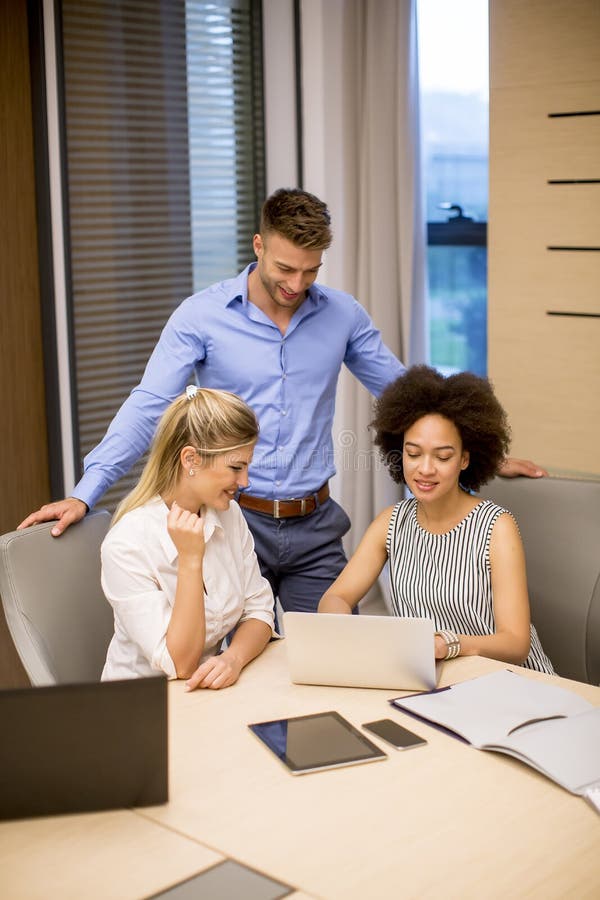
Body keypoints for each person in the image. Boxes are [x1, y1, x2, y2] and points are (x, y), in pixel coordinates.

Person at [19, 188, 547, 615]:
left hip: (314, 525)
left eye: (311, 271)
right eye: (285, 269)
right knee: (234, 670)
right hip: (230, 519)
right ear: (258, 245)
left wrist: (479, 450)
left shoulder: (342, 316)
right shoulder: (200, 317)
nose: (296, 284)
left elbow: (404, 393)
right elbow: (149, 405)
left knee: (336, 663)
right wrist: (86, 493)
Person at [318, 365, 554, 674]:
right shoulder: (392, 522)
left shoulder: (497, 527)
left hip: (513, 684)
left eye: (442, 457)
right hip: (436, 682)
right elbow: (336, 596)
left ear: (465, 459)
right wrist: (345, 627)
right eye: (413, 454)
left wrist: (448, 645)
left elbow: (515, 643)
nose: (425, 469)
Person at [101, 386, 275, 690]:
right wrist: (190, 559)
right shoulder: (126, 544)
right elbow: (180, 663)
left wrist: (232, 659)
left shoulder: (228, 514)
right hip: (142, 705)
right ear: (191, 459)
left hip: (203, 695)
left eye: (246, 467)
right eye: (236, 467)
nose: (245, 482)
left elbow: (259, 610)